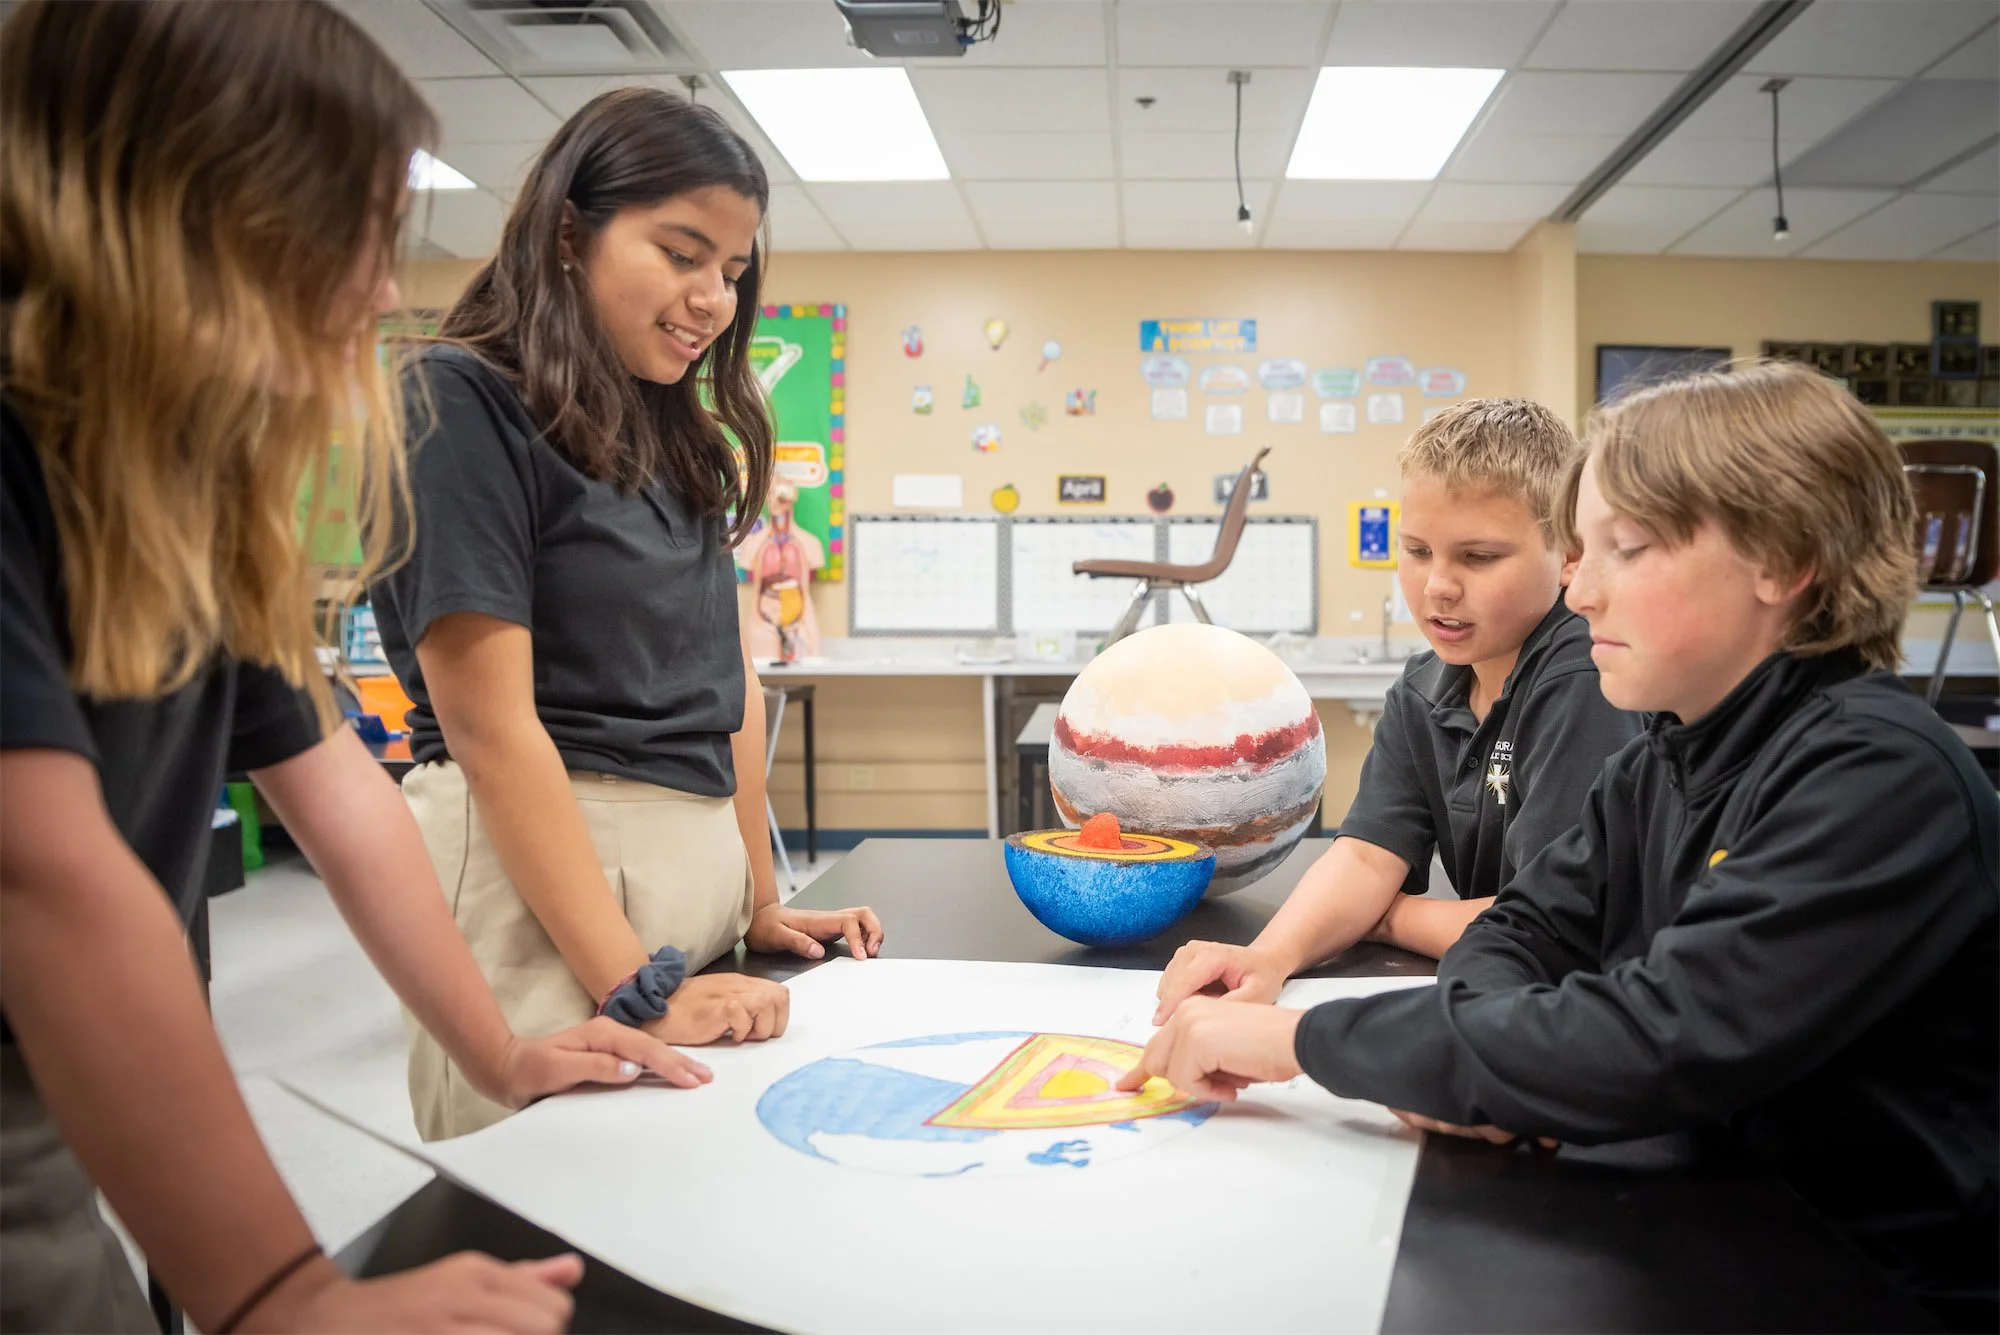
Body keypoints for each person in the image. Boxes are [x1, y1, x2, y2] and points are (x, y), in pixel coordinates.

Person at [0, 4, 705, 1330]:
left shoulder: (179, 478)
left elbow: (335, 787)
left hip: (63, 1057)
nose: (383, 287)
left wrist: (498, 1049)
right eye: (357, 233)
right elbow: (43, 871)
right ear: (195, 206)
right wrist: (284, 1291)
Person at [1124, 363, 1998, 1332]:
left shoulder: (1877, 776)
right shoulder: (1660, 762)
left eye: (1622, 548)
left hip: (1871, 1280)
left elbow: (1651, 1037)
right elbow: (1529, 931)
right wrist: (1487, 1063)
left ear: (1782, 562)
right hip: (1709, 1220)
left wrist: (1299, 1040)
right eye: (1579, 552)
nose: (1578, 594)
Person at [371, 89, 882, 1142]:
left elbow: (727, 690)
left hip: (688, 876)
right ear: (570, 232)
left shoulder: (679, 439)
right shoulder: (458, 401)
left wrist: (756, 900)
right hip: (547, 880)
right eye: (682, 254)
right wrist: (632, 983)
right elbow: (490, 728)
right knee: (558, 1223)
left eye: (733, 272)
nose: (713, 299)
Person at [1155, 399, 1639, 1022]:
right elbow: (1365, 856)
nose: (1438, 584)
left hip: (1592, 1017)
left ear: (1568, 554)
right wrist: (1267, 957)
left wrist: (1394, 917)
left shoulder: (1584, 676)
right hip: (1503, 985)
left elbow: (1552, 931)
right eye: (1416, 551)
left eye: (1479, 557)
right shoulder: (1423, 690)